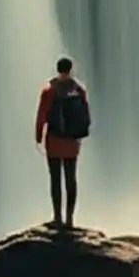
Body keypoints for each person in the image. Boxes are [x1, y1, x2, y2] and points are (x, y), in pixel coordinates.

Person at [35, 57, 91, 228]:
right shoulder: (79, 89)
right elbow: (86, 115)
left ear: (57, 69)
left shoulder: (49, 90)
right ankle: (70, 220)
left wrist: (38, 136)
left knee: (55, 180)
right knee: (71, 179)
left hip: (54, 141)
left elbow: (42, 115)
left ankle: (58, 218)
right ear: (71, 69)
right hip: (72, 143)